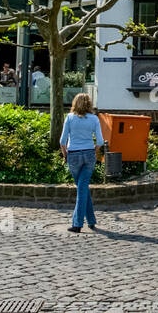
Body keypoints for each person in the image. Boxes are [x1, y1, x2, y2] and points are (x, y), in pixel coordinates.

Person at [59, 93, 104, 231]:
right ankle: (91, 220)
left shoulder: (70, 118)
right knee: (83, 187)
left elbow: (62, 141)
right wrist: (94, 152)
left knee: (81, 188)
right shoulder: (94, 119)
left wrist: (65, 154)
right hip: (89, 154)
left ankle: (77, 224)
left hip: (73, 155)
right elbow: (101, 141)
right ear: (89, 104)